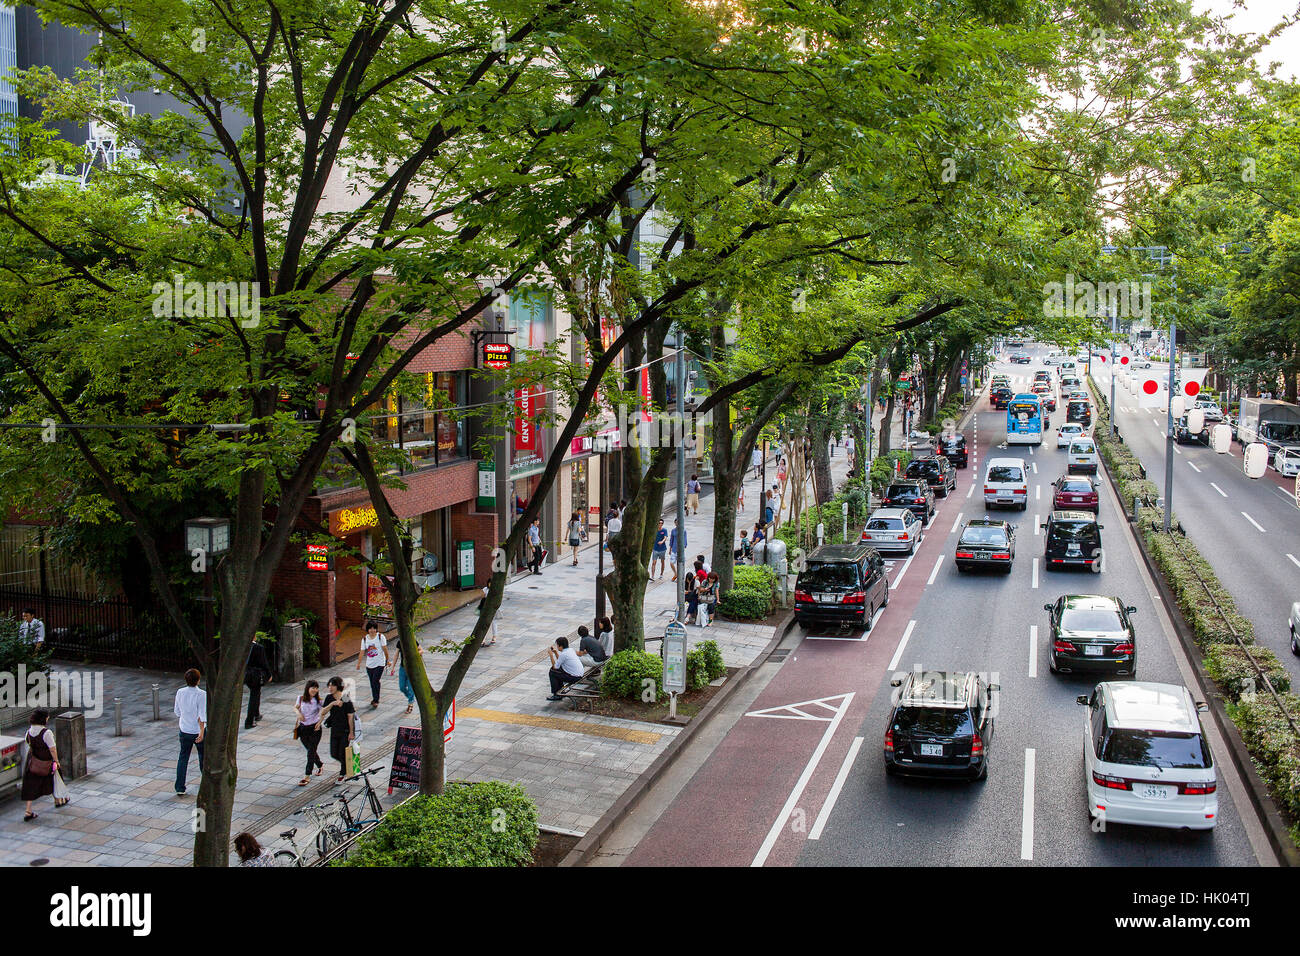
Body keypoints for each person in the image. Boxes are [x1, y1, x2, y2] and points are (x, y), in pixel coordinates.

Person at [21, 709, 63, 821]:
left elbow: (28, 745)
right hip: (47, 762)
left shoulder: (29, 732)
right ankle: (58, 800)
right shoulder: (46, 733)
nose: (48, 719)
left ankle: (28, 811)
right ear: (43, 719)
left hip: (34, 763)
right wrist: (56, 761)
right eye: (47, 717)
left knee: (30, 786)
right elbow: (52, 749)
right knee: (54, 778)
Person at [173, 668, 206, 796]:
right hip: (197, 731)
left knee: (183, 757)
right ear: (198, 680)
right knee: (203, 757)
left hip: (185, 729)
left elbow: (177, 712)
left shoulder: (180, 692)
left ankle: (180, 786)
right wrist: (202, 732)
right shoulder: (202, 694)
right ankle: (206, 785)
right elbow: (202, 715)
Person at [320, 676, 356, 782]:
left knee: (341, 752)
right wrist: (332, 704)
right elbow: (323, 712)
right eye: (329, 685)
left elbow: (350, 716)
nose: (330, 688)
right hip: (334, 729)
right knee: (333, 753)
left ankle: (343, 773)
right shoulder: (329, 698)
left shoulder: (345, 698)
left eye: (333, 685)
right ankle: (349, 766)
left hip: (345, 730)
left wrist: (351, 732)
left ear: (338, 686)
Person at [293, 680, 325, 786]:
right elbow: (295, 707)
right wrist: (298, 713)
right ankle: (320, 764)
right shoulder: (301, 698)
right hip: (303, 729)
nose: (315, 690)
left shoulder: (319, 701)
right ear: (308, 688)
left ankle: (307, 775)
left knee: (311, 751)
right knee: (310, 750)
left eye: (316, 688)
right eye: (313, 687)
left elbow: (323, 712)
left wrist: (319, 722)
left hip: (315, 729)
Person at [356, 620, 389, 709]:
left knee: (375, 681)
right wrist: (358, 663)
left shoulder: (380, 637)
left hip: (380, 663)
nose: (372, 630)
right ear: (367, 629)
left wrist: (387, 660)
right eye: (370, 628)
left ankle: (376, 700)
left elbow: (385, 649)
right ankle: (375, 697)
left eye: (374, 628)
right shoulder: (365, 639)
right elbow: (362, 652)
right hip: (369, 664)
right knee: (372, 683)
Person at [243, 632, 272, 729]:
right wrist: (269, 674)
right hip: (255, 675)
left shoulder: (242, 647)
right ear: (254, 636)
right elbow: (264, 663)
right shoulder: (258, 648)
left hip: (245, 674)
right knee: (254, 695)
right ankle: (249, 721)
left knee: (255, 693)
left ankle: (256, 714)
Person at [390, 640, 423, 716]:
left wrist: (414, 654)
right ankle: (411, 698)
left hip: (412, 668)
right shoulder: (399, 642)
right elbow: (396, 655)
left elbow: (421, 650)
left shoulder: (413, 641)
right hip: (402, 668)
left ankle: (410, 703)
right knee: (402, 687)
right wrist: (393, 667)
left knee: (410, 686)